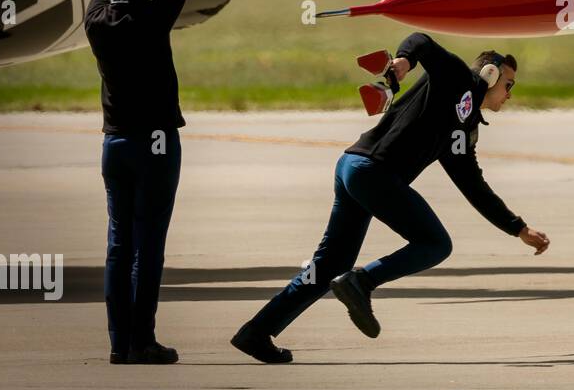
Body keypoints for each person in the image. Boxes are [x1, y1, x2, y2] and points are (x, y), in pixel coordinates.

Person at [231, 33, 550, 364]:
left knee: (329, 265)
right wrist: (403, 62)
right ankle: (362, 282)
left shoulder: (463, 126)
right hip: (372, 172)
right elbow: (421, 41)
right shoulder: (455, 77)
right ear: (490, 74)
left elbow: (473, 185)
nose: (510, 94)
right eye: (509, 84)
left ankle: (257, 332)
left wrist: (517, 228)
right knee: (435, 244)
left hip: (354, 168)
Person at [84, 0, 189, 365]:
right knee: (149, 245)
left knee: (117, 244)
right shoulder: (153, 16)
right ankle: (143, 340)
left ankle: (118, 344)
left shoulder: (97, 18)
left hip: (115, 143)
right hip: (156, 144)